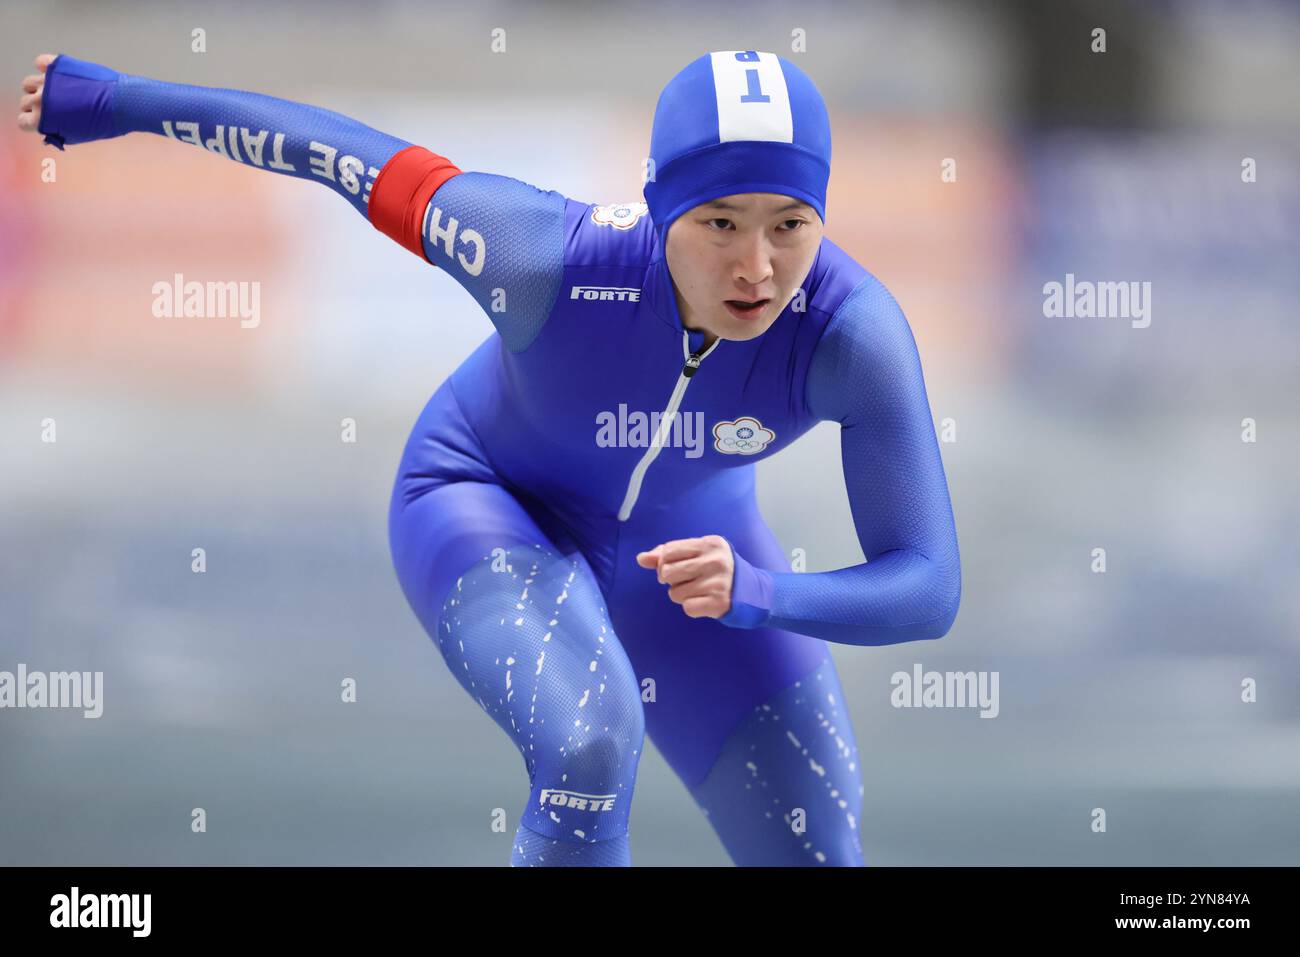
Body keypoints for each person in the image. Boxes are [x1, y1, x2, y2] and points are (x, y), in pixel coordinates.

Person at [18, 49, 962, 866]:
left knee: (817, 851)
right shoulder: (541, 257)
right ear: (661, 204)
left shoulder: (850, 331)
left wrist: (761, 592)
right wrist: (111, 103)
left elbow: (928, 586)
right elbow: (333, 152)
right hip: (484, 503)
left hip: (698, 563)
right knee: (591, 744)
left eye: (790, 224)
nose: (757, 268)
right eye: (721, 222)